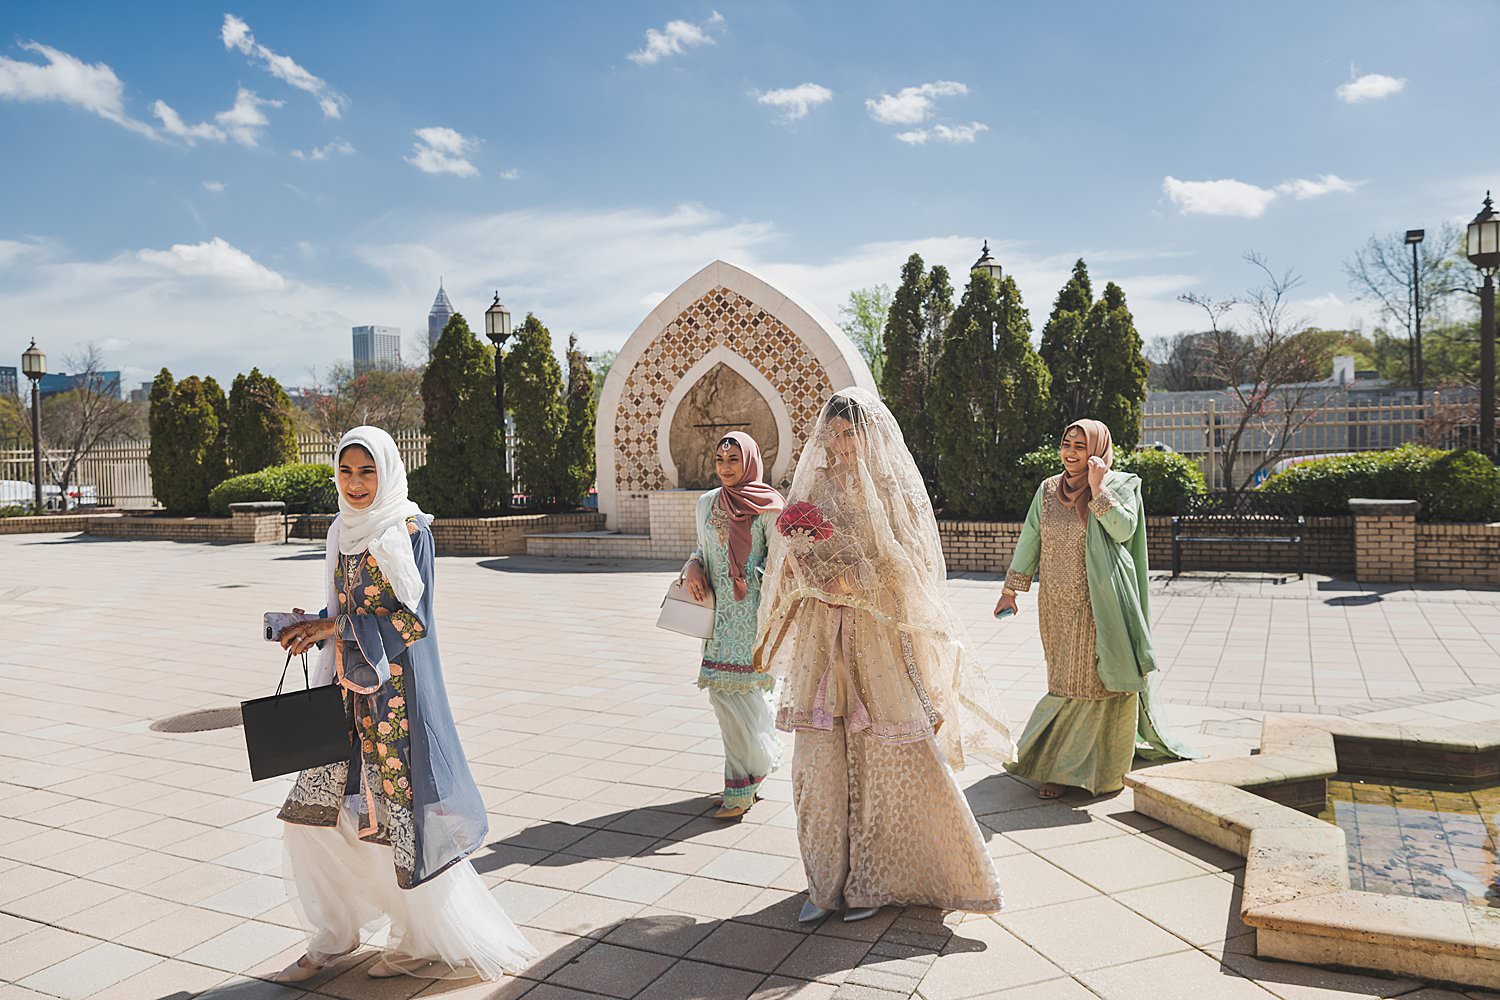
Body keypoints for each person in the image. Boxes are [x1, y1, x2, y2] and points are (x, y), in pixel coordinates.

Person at [272, 426, 536, 983]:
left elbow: (414, 620)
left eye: (367, 471)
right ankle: (334, 934)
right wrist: (312, 626)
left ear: (388, 472)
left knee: (402, 823)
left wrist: (335, 627)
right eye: (346, 472)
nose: (356, 483)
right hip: (344, 697)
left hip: (396, 703)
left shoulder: (410, 531)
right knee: (310, 817)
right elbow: (344, 607)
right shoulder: (341, 530)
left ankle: (421, 940)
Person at [754, 388, 1007, 923]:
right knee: (817, 763)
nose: (842, 443)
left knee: (885, 756)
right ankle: (824, 883)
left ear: (870, 437)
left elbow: (912, 562)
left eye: (851, 433)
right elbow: (793, 553)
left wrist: (857, 578)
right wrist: (808, 567)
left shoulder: (892, 489)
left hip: (878, 638)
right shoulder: (816, 486)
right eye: (833, 434)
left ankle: (875, 881)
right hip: (825, 636)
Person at [995, 419, 1198, 800]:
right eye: (1066, 444)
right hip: (1056, 603)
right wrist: (1011, 590)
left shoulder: (1123, 484)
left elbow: (1123, 530)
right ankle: (1057, 764)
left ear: (1098, 450)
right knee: (1064, 681)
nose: (1070, 453)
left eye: (1080, 446)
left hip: (1100, 602)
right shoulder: (1048, 489)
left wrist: (1097, 488)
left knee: (1098, 682)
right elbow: (1031, 537)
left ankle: (1092, 768)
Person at [682, 432, 786, 820]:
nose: (725, 467)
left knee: (746, 701)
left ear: (750, 462)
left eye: (733, 460)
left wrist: (754, 582)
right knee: (724, 701)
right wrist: (693, 567)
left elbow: (781, 563)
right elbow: (700, 550)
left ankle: (740, 787)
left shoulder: (769, 507)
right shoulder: (707, 503)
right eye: (720, 460)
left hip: (752, 620)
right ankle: (747, 775)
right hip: (719, 620)